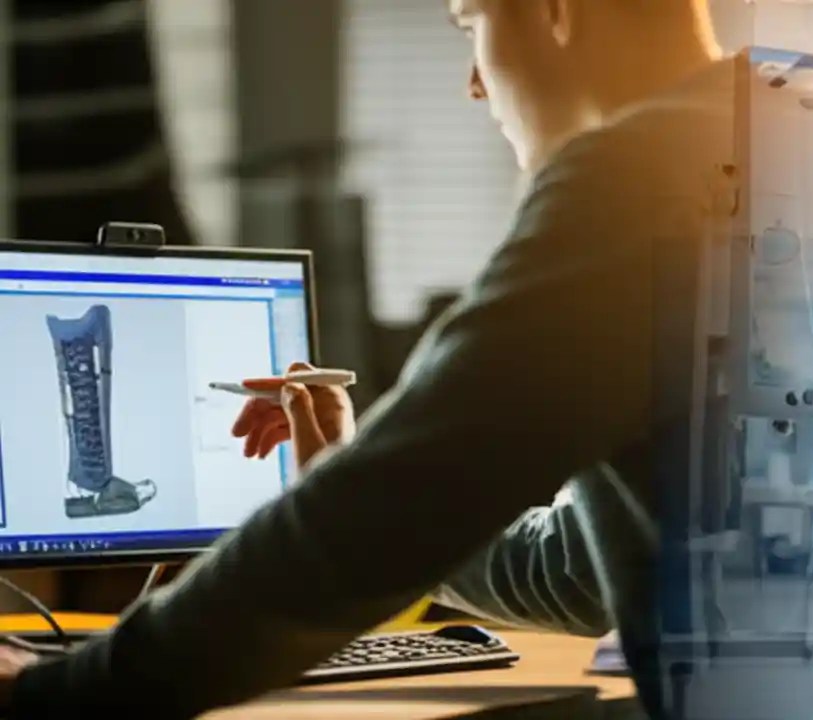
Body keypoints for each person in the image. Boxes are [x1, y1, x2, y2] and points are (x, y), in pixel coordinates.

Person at [0, 1, 739, 717]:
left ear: (556, 10)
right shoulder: (798, 129)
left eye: (472, 25)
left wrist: (57, 694)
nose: (475, 83)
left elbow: (380, 516)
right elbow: (577, 573)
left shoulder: (637, 184)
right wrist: (345, 468)